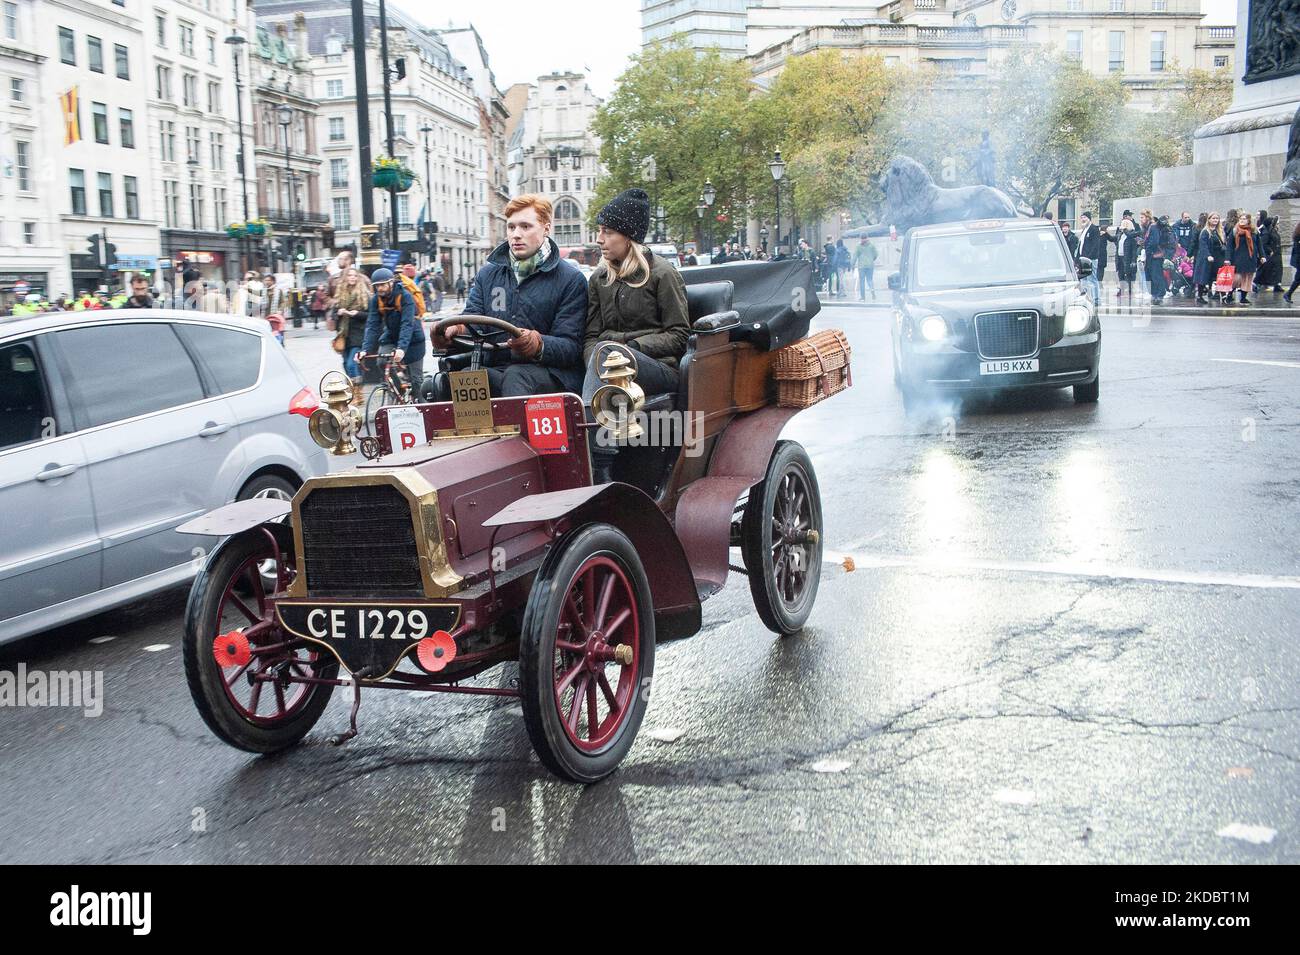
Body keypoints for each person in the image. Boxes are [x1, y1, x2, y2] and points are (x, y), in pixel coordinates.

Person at [583, 187, 689, 484]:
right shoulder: (599, 279)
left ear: (628, 237)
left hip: (659, 368)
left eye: (607, 232)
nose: (599, 239)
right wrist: (597, 359)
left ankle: (596, 460)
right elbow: (590, 335)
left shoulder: (663, 274)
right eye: (599, 231)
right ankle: (596, 452)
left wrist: (630, 348)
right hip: (609, 366)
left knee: (609, 352)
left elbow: (680, 335)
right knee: (603, 352)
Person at [434, 193, 586, 398]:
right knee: (459, 381)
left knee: (516, 376)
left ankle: (517, 432)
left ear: (546, 228)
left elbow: (571, 346)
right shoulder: (488, 274)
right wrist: (453, 330)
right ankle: (470, 431)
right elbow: (473, 319)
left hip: (552, 375)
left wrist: (538, 344)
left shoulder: (570, 279)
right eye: (511, 227)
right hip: (500, 368)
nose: (516, 234)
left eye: (525, 226)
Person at [363, 267, 427, 386]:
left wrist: (401, 348)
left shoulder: (405, 296)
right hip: (392, 336)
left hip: (413, 339)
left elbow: (407, 324)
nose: (379, 288)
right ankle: (398, 389)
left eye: (382, 285)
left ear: (391, 283)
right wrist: (365, 349)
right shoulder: (376, 300)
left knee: (416, 381)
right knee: (381, 362)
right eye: (377, 286)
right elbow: (372, 325)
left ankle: (420, 397)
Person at [331, 266, 371, 405]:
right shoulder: (340, 295)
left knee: (352, 364)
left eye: (354, 275)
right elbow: (333, 315)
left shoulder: (364, 294)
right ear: (345, 278)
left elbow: (370, 316)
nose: (352, 278)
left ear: (358, 277)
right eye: (349, 275)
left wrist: (357, 314)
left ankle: (357, 395)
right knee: (346, 365)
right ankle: (354, 394)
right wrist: (339, 313)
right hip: (345, 335)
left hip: (358, 335)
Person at [1193, 212, 1226, 305]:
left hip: (1218, 256)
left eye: (1217, 218)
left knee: (1220, 277)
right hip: (1207, 257)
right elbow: (1203, 245)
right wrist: (1208, 255)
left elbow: (1223, 244)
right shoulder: (1205, 231)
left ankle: (1223, 296)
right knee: (1203, 277)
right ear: (1209, 219)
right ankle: (1199, 296)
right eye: (1213, 218)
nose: (1215, 220)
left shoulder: (1219, 231)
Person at [1227, 212, 1259, 305]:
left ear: (1248, 220)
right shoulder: (1234, 231)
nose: (1242, 220)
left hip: (1250, 258)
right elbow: (1229, 246)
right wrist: (1228, 258)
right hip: (1237, 258)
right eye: (1240, 219)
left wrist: (1262, 256)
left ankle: (1243, 298)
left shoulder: (1253, 231)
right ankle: (1229, 294)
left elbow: (1258, 245)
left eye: (1244, 219)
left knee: (1247, 279)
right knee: (1237, 279)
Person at [1076, 212, 1101, 305]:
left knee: (1092, 279)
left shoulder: (1094, 229)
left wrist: (1089, 257)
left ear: (1089, 218)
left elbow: (1095, 245)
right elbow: (1080, 245)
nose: (1083, 219)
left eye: (1085, 217)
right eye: (1081, 217)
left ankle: (1096, 300)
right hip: (1082, 259)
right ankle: (1086, 299)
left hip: (1090, 259)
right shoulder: (1084, 230)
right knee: (1084, 280)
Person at [1257, 212, 1283, 292]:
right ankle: (1258, 283)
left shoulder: (1274, 231)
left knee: (1278, 270)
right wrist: (1270, 250)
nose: (1278, 225)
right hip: (1272, 254)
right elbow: (1263, 243)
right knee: (1268, 269)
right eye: (1277, 223)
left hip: (1277, 253)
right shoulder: (1267, 232)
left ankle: (1277, 284)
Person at [261, 273, 287, 343]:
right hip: (266, 316)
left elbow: (283, 302)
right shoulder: (263, 291)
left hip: (276, 316)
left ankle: (280, 345)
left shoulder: (278, 290)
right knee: (268, 333)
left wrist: (280, 310)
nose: (266, 282)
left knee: (278, 332)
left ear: (273, 281)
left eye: (268, 280)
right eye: (265, 280)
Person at [854, 237, 878, 301]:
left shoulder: (858, 246)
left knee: (862, 281)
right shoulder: (871, 245)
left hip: (861, 266)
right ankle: (872, 291)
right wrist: (872, 259)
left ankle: (863, 297)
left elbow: (855, 256)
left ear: (860, 238)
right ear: (867, 238)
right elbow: (876, 254)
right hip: (870, 265)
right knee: (870, 279)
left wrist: (852, 264)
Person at [1284, 220, 1300, 303]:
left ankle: (1288, 294)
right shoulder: (1297, 236)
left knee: (1298, 279)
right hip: (1299, 260)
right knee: (1298, 279)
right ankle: (1288, 293)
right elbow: (1297, 251)